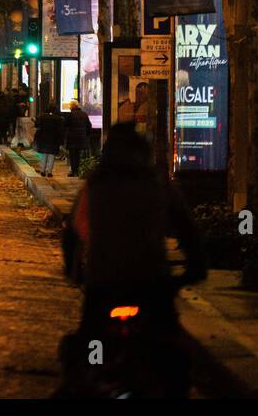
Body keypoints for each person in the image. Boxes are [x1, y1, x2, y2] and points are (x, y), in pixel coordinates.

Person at [65, 123, 206, 395]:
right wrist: (195, 268)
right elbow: (188, 231)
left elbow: (72, 234)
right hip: (151, 282)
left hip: (103, 283)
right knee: (171, 355)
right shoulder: (158, 185)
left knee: (88, 348)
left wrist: (75, 271)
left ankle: (87, 375)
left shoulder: (94, 185)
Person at [34, 104, 64, 177]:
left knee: (44, 155)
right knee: (52, 155)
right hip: (54, 139)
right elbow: (60, 131)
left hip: (43, 139)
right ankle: (50, 172)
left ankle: (42, 170)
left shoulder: (42, 117)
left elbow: (37, 126)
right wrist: (61, 141)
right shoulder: (58, 118)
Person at [65, 101, 91, 177]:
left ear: (72, 107)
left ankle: (74, 171)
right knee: (79, 155)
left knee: (73, 155)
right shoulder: (84, 114)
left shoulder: (70, 115)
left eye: (70, 106)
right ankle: (78, 171)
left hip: (72, 139)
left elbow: (65, 125)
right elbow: (89, 126)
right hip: (81, 138)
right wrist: (86, 135)